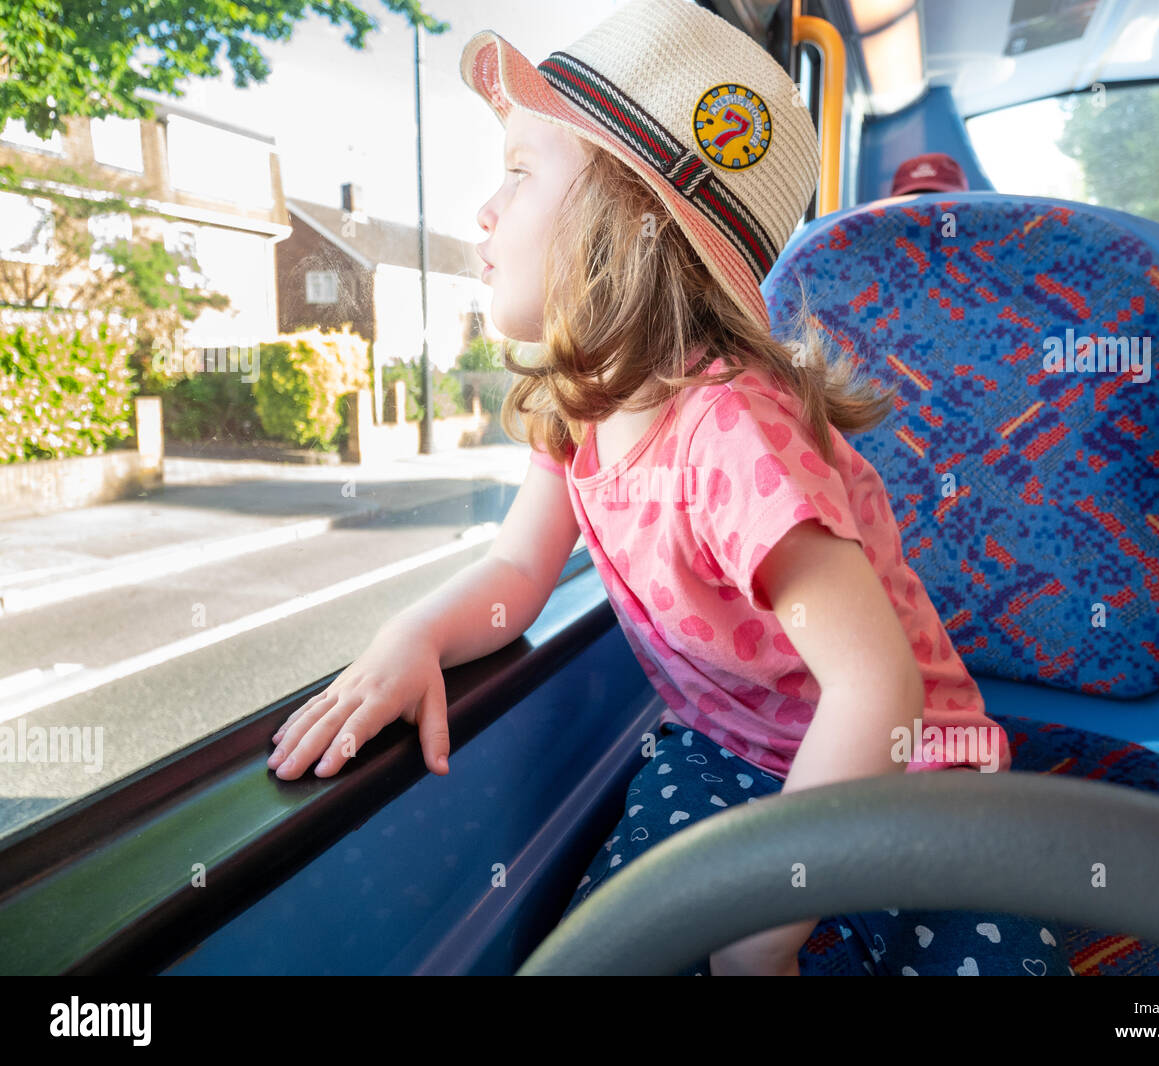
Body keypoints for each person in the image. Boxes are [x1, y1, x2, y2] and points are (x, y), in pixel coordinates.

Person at [266, 0, 1074, 977]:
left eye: (519, 173)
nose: (483, 209)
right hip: (726, 748)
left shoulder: (735, 429)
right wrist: (418, 634)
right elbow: (517, 570)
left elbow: (876, 687)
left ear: (631, 223)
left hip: (902, 764)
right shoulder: (578, 408)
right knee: (620, 937)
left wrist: (763, 921)